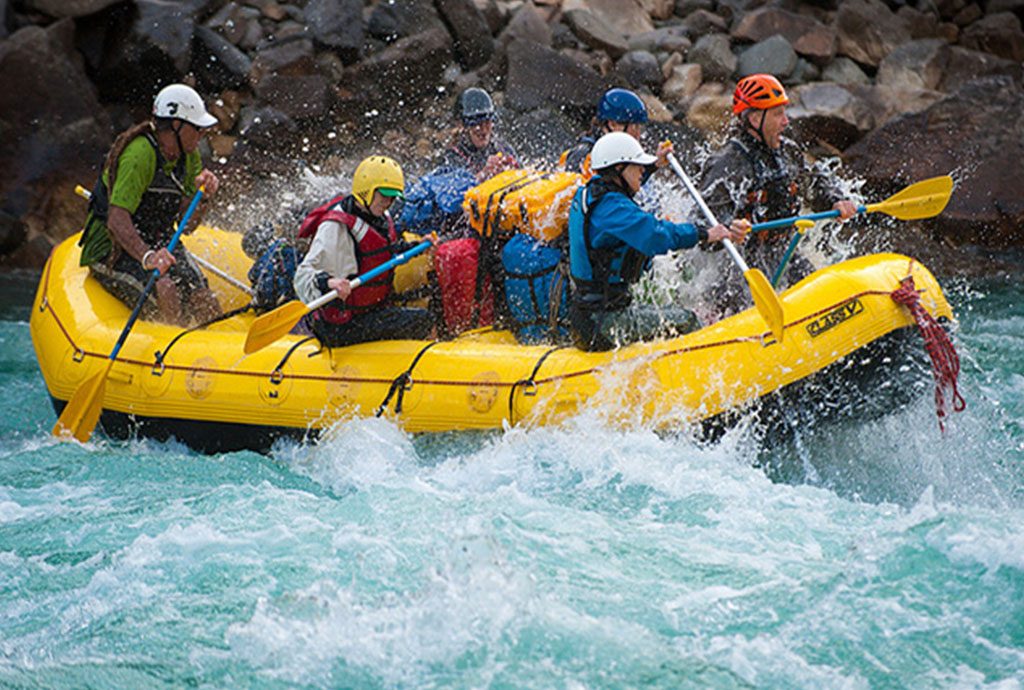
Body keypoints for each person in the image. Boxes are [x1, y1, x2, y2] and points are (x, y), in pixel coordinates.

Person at [568, 132, 750, 352]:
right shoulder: (612, 209)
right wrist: (704, 234)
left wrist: (655, 165)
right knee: (687, 320)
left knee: (666, 312)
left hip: (590, 314)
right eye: (638, 166)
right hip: (605, 322)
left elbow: (625, 184)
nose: (642, 170)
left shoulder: (593, 193)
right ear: (618, 169)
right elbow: (655, 235)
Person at [699, 73, 858, 314]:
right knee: (736, 311)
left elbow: (814, 183)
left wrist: (836, 199)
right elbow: (702, 227)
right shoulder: (727, 164)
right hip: (741, 267)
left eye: (784, 112)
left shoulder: (788, 151)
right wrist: (729, 230)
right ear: (754, 118)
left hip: (783, 255)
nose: (786, 122)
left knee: (828, 303)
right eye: (777, 114)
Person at [78, 83, 222, 325]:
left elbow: (187, 226)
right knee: (165, 289)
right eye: (197, 128)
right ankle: (174, 351)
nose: (202, 135)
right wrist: (148, 257)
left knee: (202, 296)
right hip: (112, 248)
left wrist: (203, 196)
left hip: (160, 239)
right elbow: (116, 219)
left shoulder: (190, 156)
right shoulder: (139, 155)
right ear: (176, 125)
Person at [292, 155, 434, 348]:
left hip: (370, 311)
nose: (389, 202)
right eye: (384, 195)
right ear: (366, 191)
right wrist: (329, 282)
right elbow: (302, 277)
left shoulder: (379, 216)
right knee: (423, 320)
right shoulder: (335, 226)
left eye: (393, 197)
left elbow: (384, 251)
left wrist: (417, 247)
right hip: (340, 327)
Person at [559, 87, 673, 181]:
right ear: (613, 125)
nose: (638, 135)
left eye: (640, 128)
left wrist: (656, 164)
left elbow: (628, 185)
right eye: (635, 127)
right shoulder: (586, 155)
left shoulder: (613, 153)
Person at [441, 87, 519, 181]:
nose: (483, 129)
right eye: (476, 123)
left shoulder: (503, 148)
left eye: (487, 122)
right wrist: (484, 174)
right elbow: (452, 191)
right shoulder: (452, 157)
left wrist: (515, 169)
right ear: (461, 125)